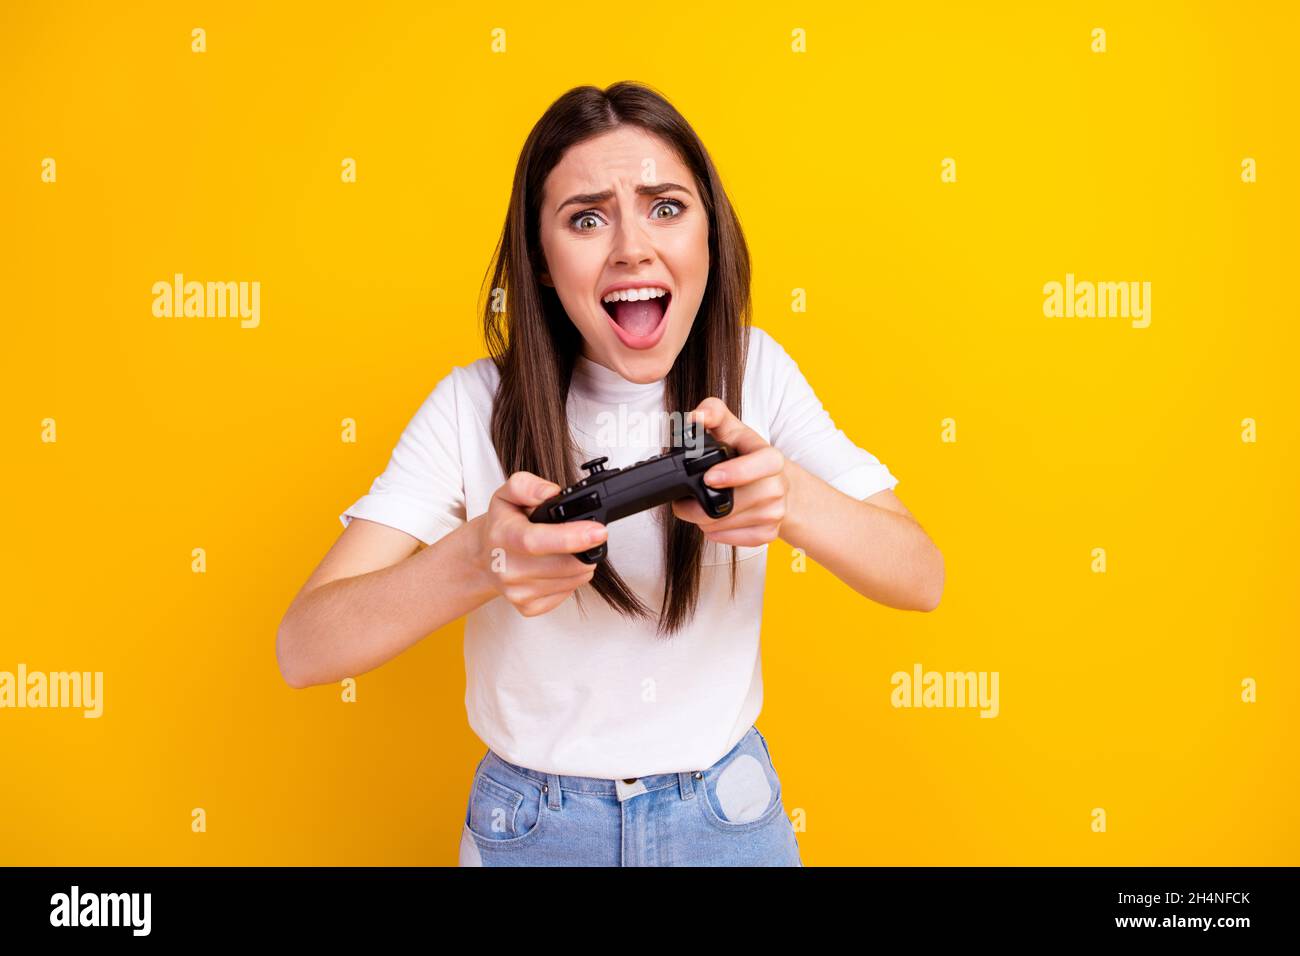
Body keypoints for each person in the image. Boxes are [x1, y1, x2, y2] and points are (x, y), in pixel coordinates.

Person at [276, 81, 945, 866]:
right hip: (532, 831)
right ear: (544, 264)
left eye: (666, 206)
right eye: (586, 218)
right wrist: (477, 559)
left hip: (728, 817)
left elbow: (921, 576)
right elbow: (304, 648)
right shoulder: (471, 405)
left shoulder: (755, 370)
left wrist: (791, 499)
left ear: (710, 237)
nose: (632, 246)